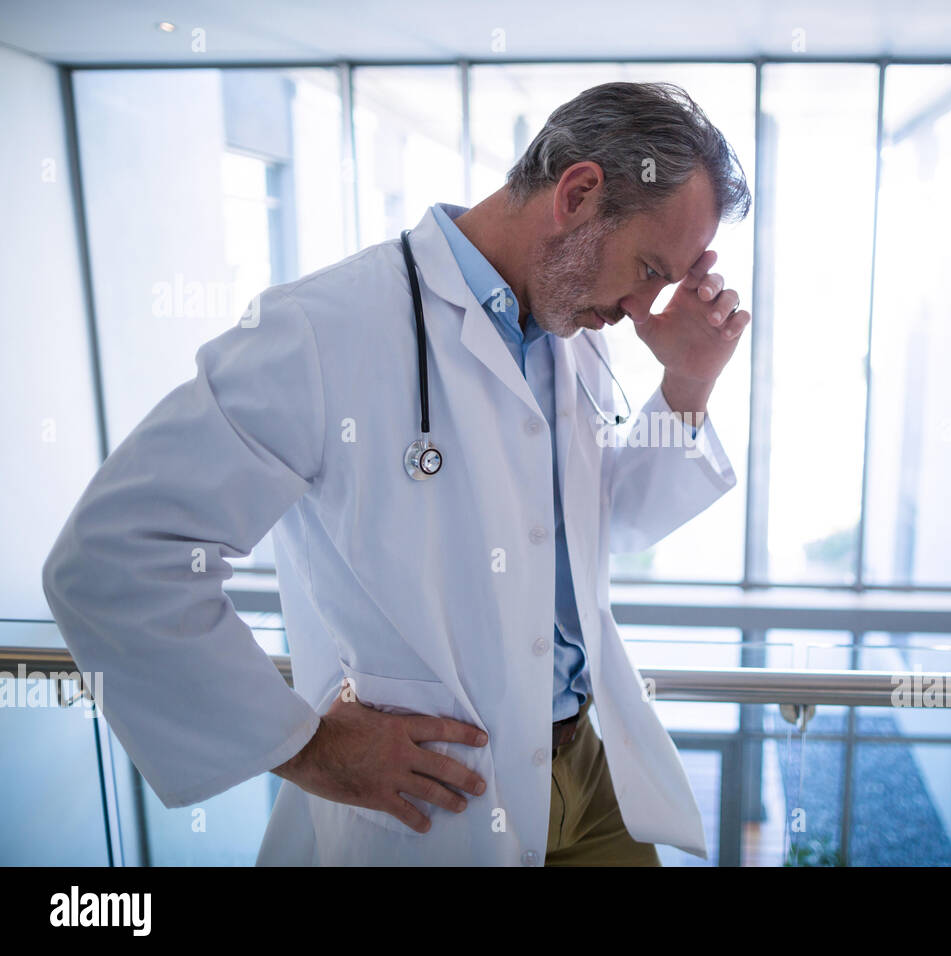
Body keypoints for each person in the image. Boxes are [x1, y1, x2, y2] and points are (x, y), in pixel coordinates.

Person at [42, 80, 752, 866]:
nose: (645, 308)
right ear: (579, 194)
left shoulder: (572, 329)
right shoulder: (323, 329)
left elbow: (598, 529)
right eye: (650, 269)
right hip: (441, 798)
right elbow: (114, 557)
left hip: (590, 769)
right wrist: (302, 748)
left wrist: (687, 383)